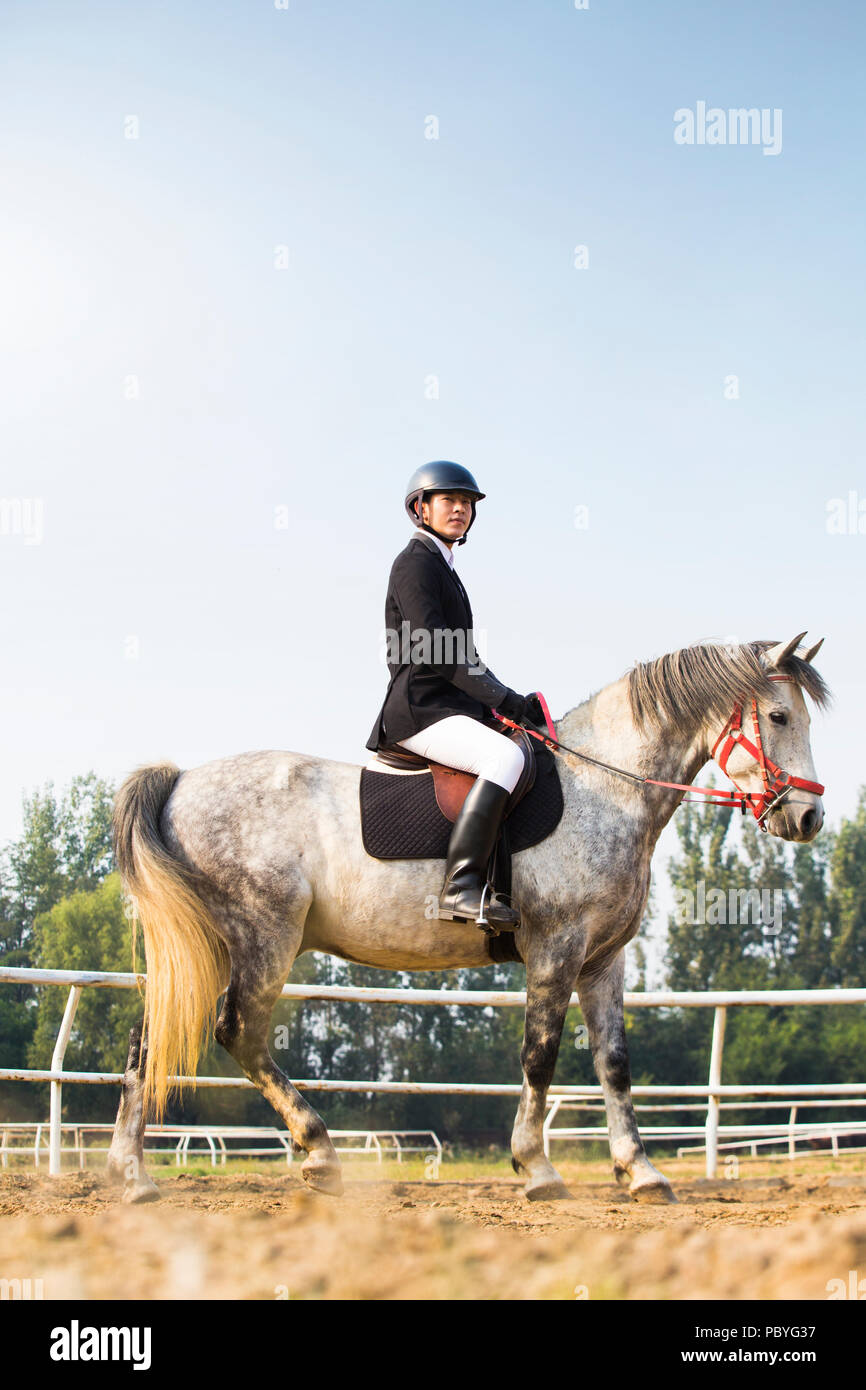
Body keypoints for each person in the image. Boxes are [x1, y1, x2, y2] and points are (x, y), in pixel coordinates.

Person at [365, 461, 542, 932]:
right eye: (449, 501)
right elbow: (439, 651)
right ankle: (461, 887)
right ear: (421, 508)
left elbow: (462, 652)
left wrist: (502, 702)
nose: (460, 510)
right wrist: (504, 700)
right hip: (420, 709)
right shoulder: (416, 562)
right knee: (505, 759)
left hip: (446, 705)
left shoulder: (444, 566)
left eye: (466, 503)